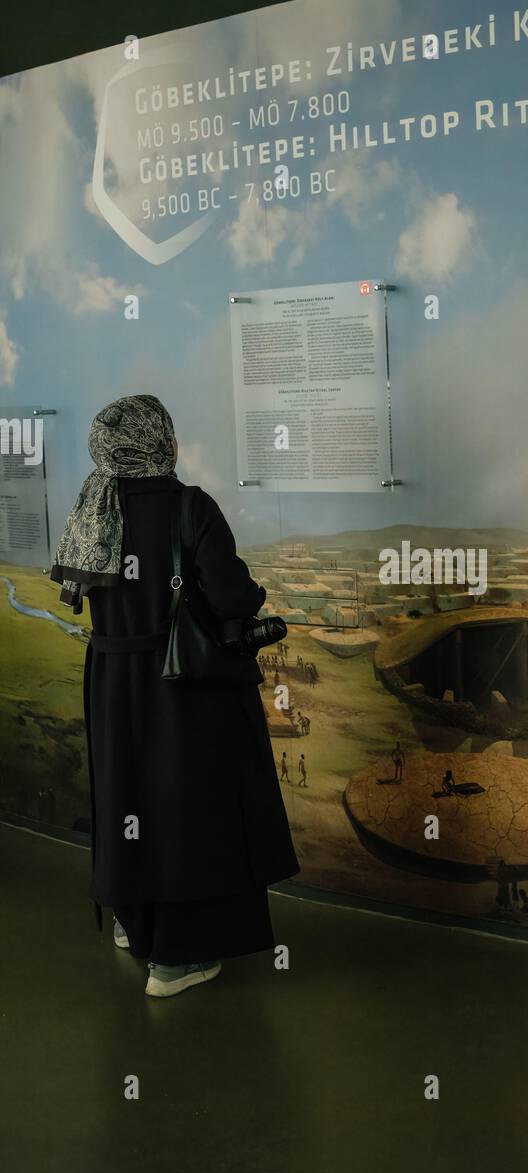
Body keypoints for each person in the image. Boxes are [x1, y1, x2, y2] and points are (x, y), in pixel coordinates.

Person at [51, 394, 299, 999]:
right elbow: (232, 597)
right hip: (182, 685)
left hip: (114, 682)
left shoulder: (93, 507)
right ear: (158, 440)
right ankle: (177, 958)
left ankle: (135, 923)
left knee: (128, 798)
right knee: (189, 809)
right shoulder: (190, 507)